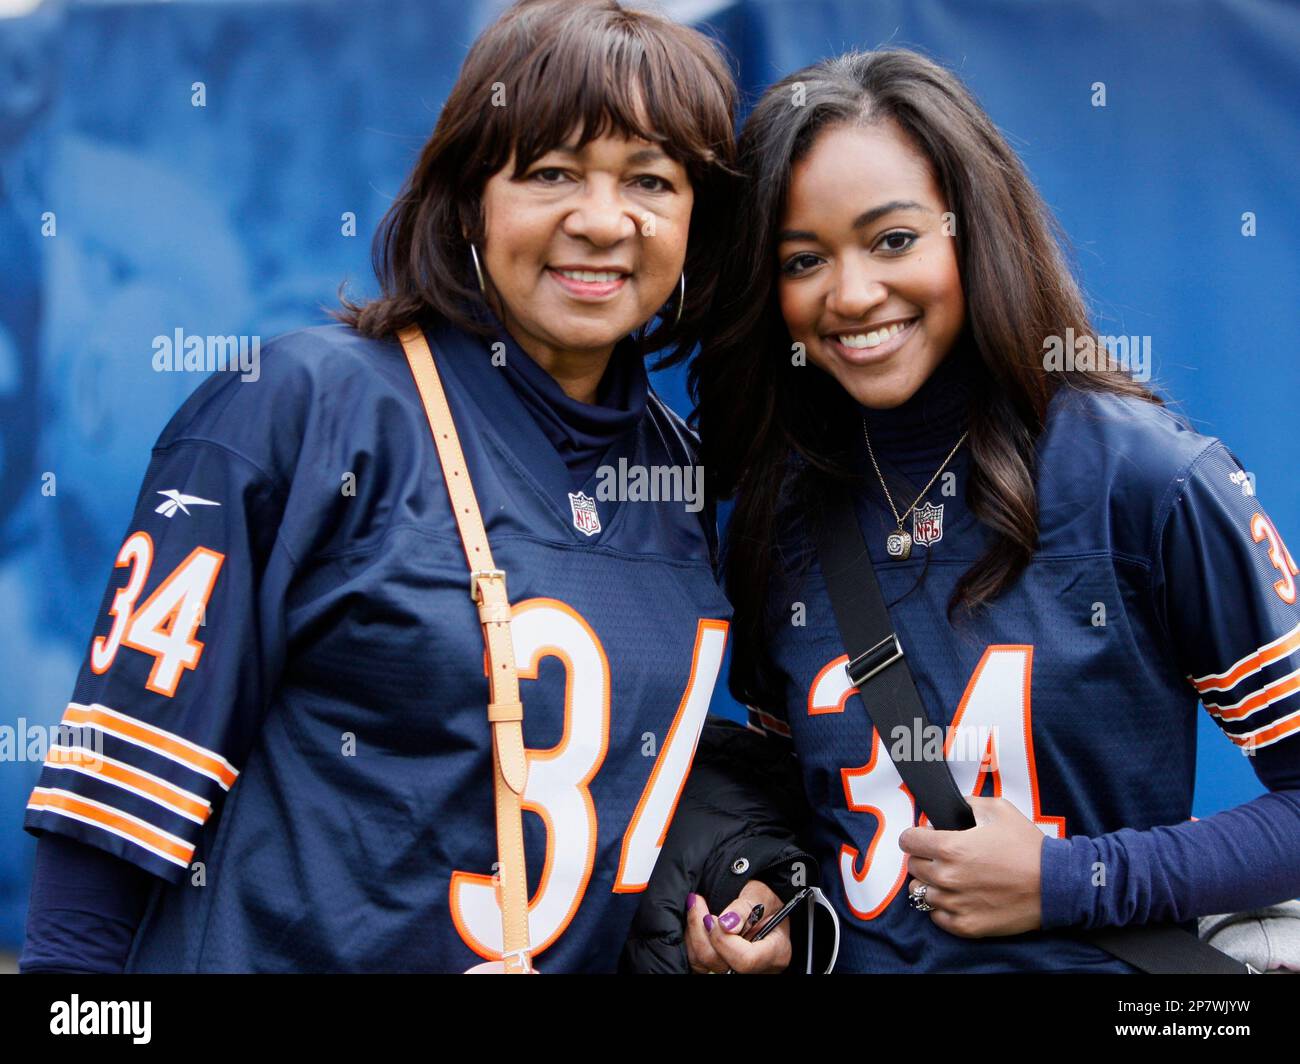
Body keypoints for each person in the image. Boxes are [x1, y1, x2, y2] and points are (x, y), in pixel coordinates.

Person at [20, 0, 757, 973]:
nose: (600, 218)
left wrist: (735, 893)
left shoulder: (676, 473)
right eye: (550, 172)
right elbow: (108, 816)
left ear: (697, 219)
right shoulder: (301, 406)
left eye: (650, 181)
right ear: (467, 196)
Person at [652, 48, 1300, 974]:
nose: (853, 293)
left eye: (894, 240)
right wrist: (764, 883)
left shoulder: (1146, 480)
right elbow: (801, 798)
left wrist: (1076, 880)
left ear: (973, 231)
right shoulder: (772, 513)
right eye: (804, 259)